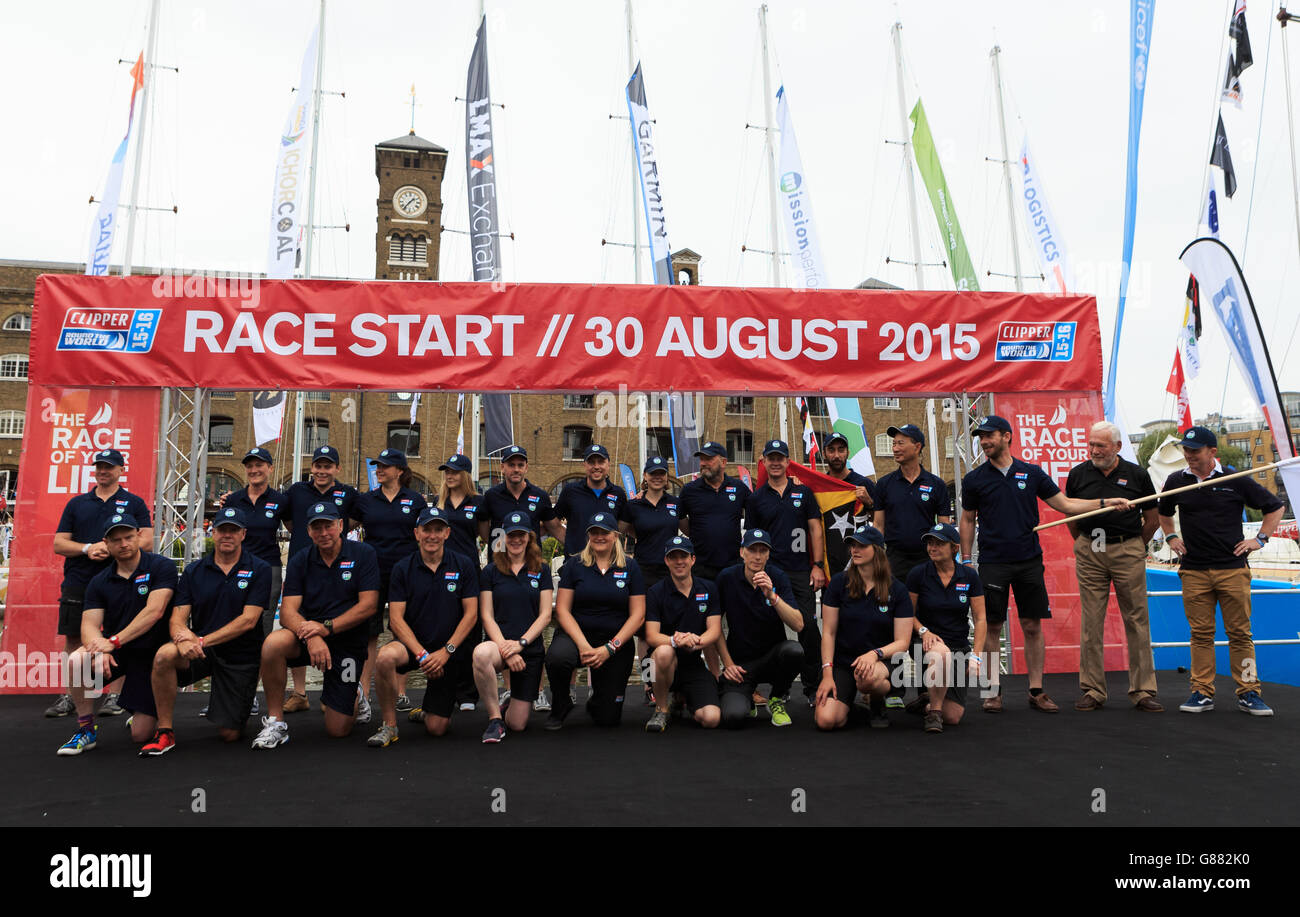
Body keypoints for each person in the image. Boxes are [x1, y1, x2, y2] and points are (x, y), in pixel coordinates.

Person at [959, 415, 1128, 714]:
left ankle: (1036, 690)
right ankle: (992, 691)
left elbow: (1065, 504)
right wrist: (967, 559)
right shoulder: (974, 479)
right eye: (981, 437)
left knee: (1031, 624)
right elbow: (968, 519)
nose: (984, 441)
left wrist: (1104, 503)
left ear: (1006, 436)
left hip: (1028, 561)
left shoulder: (1032, 473)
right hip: (993, 562)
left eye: (990, 435)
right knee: (993, 626)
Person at [1157, 425, 1284, 716]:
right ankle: (1201, 692)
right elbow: (1164, 514)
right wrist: (1171, 537)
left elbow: (1274, 507)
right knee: (1200, 634)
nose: (1189, 455)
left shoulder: (1235, 479)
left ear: (1212, 451)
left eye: (1195, 451)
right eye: (1186, 450)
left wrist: (1260, 539)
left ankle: (1250, 692)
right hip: (1194, 570)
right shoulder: (1177, 480)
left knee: (1240, 633)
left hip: (1232, 569)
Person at [144, 507, 271, 754]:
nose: (227, 535)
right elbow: (177, 617)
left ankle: (224, 701)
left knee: (230, 734)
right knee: (163, 656)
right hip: (199, 652)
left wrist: (201, 640)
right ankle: (165, 731)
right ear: (213, 532)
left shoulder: (260, 568)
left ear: (243, 534)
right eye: (222, 530)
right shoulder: (194, 570)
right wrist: (182, 638)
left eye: (233, 530)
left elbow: (249, 620)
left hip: (240, 656)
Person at [252, 501, 378, 749]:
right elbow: (287, 612)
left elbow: (369, 606)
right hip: (309, 636)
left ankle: (356, 693)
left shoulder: (363, 554)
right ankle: (276, 721)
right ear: (308, 532)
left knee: (338, 729)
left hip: (347, 642)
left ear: (340, 525)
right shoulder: (301, 560)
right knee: (273, 644)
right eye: (316, 528)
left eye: (328, 526)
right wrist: (312, 636)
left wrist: (326, 628)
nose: (323, 533)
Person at [55, 514, 176, 755]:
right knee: (78, 659)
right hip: (115, 651)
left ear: (138, 536)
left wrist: (112, 642)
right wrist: (97, 649)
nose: (123, 544)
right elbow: (89, 625)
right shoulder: (99, 580)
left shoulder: (161, 566)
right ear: (106, 543)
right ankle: (86, 729)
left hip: (151, 655)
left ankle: (136, 709)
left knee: (140, 735)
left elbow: (154, 612)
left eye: (128, 537)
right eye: (116, 540)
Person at [48, 448, 153, 719]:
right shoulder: (77, 503)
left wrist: (114, 550)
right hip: (79, 579)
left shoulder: (134, 503)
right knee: (73, 637)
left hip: (120, 579)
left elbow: (148, 541)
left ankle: (114, 696)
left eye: (109, 467)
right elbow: (59, 543)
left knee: (118, 635)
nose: (103, 471)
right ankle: (71, 695)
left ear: (121, 470)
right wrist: (87, 549)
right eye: (99, 467)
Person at [1065, 421, 1162, 712]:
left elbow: (1153, 519)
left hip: (1127, 548)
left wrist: (1134, 546)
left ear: (1117, 447)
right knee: (1091, 621)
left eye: (1101, 445)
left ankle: (1143, 690)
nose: (1094, 450)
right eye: (1091, 444)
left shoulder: (1137, 475)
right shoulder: (1078, 474)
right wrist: (1086, 542)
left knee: (1136, 618)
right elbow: (1070, 514)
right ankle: (1093, 690)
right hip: (1090, 548)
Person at [367, 507, 481, 746]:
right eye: (426, 529)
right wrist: (421, 654)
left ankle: (429, 711)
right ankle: (389, 725)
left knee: (437, 728)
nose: (432, 535)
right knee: (385, 657)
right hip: (413, 646)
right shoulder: (402, 568)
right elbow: (396, 619)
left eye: (438, 530)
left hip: (447, 651)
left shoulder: (464, 564)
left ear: (447, 533)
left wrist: (446, 651)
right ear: (416, 533)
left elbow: (471, 614)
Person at [478, 444, 563, 710]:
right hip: (500, 567)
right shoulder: (491, 496)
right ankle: (508, 689)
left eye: (520, 464)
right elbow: (483, 529)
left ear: (526, 467)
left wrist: (582, 549)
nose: (515, 469)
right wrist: (497, 552)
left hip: (532, 566)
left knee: (531, 621)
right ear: (502, 467)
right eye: (510, 464)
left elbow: (553, 527)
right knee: (505, 620)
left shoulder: (538, 495)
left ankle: (536, 690)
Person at [544, 512, 646, 729]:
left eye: (604, 533)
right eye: (594, 533)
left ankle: (599, 699)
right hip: (577, 636)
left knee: (607, 719)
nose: (599, 537)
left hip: (615, 641)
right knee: (558, 657)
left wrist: (610, 647)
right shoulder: (574, 565)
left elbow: (638, 615)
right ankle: (561, 705)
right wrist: (583, 645)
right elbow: (562, 610)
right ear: (588, 536)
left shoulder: (630, 567)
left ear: (615, 536)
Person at [279, 444, 360, 713]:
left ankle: (332, 692)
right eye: (318, 465)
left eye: (327, 466)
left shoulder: (347, 494)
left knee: (333, 628)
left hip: (335, 569)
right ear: (311, 467)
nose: (322, 471)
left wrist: (331, 538)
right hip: (302, 568)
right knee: (296, 627)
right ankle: (299, 692)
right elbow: (289, 522)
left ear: (337, 469)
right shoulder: (296, 491)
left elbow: (357, 520)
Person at [744, 439, 826, 704]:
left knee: (809, 628)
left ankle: (813, 687)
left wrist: (818, 564)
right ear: (764, 461)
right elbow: (751, 538)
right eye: (771, 458)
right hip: (769, 571)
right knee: (763, 629)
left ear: (788, 462)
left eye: (781, 458)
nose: (776, 462)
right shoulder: (756, 498)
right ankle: (775, 685)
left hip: (801, 570)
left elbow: (815, 528)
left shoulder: (804, 492)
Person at [350, 447, 428, 721]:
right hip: (372, 573)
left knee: (402, 628)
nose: (379, 470)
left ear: (400, 471)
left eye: (384, 466)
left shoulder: (416, 500)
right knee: (370, 632)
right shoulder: (365, 500)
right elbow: (340, 526)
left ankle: (400, 691)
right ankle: (364, 694)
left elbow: (426, 534)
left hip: (406, 573)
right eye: (377, 466)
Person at [814, 525, 912, 731]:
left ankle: (877, 703)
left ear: (877, 550)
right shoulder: (839, 583)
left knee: (867, 677)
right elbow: (829, 633)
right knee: (826, 721)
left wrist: (875, 654)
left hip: (882, 663)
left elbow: (903, 642)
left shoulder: (898, 589)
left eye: (861, 545)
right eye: (852, 545)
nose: (854, 550)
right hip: (845, 663)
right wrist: (827, 675)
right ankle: (854, 708)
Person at [471, 511, 553, 742]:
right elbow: (487, 616)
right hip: (500, 646)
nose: (516, 540)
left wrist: (521, 644)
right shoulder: (491, 571)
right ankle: (495, 719)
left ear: (529, 538)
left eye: (521, 535)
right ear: (502, 538)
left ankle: (510, 704)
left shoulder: (542, 569)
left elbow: (545, 615)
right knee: (480, 654)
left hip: (529, 649)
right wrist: (505, 648)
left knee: (517, 724)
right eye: (510, 535)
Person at [218, 446, 286, 716]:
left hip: (268, 571)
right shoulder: (233, 499)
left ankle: (252, 693)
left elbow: (298, 529)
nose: (255, 470)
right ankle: (228, 690)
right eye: (250, 466)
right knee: (232, 629)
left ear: (269, 468)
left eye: (260, 465)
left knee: (262, 632)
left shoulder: (280, 500)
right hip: (237, 571)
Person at [715, 528, 805, 728]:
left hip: (772, 658)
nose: (757, 556)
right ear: (742, 552)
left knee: (794, 651)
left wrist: (772, 597)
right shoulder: (727, 578)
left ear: (768, 554)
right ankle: (747, 699)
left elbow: (798, 624)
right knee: (733, 717)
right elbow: (714, 626)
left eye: (762, 551)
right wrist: (727, 663)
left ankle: (776, 699)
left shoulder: (777, 576)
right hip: (741, 664)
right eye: (752, 550)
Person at [906, 524, 988, 734]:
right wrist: (924, 631)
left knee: (953, 716)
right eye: (930, 543)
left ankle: (929, 700)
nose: (933, 547)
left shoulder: (969, 576)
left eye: (939, 543)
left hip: (958, 646)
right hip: (924, 644)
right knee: (940, 653)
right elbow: (908, 615)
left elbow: (980, 619)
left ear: (954, 548)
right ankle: (934, 713)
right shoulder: (918, 574)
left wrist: (976, 656)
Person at [643, 535, 722, 732]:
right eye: (673, 557)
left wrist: (696, 640)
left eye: (684, 556)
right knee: (663, 652)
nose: (679, 561)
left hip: (693, 664)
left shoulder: (708, 588)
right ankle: (661, 709)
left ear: (693, 559)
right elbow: (651, 636)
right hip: (661, 664)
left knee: (712, 719)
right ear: (666, 561)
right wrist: (675, 641)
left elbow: (715, 629)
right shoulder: (655, 592)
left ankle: (682, 698)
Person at [623, 454, 682, 703]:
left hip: (671, 573)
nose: (658, 477)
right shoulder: (633, 505)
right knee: (646, 633)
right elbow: (623, 529)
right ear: (645, 477)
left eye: (662, 473)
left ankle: (672, 682)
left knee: (669, 628)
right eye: (653, 473)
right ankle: (649, 684)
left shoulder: (675, 504)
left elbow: (687, 528)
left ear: (666, 478)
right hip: (644, 571)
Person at [435, 453, 485, 713]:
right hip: (441, 572)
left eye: (454, 471)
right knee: (444, 628)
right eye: (447, 471)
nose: (449, 475)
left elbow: (487, 535)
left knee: (470, 632)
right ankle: (444, 689)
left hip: (468, 572)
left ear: (464, 475)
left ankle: (468, 691)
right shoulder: (438, 503)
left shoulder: (478, 502)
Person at [872, 424, 952, 582]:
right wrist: (876, 558)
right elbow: (878, 525)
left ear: (917, 447)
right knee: (895, 605)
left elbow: (944, 527)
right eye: (893, 444)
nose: (895, 449)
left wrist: (945, 561)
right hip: (894, 560)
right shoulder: (884, 484)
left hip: (928, 559)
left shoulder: (937, 485)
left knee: (927, 606)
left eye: (900, 443)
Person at [677, 440, 749, 584]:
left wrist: (792, 481)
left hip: (732, 565)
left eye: (709, 459)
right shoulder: (689, 490)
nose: (703, 463)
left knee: (732, 606)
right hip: (700, 566)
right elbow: (679, 517)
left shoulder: (739, 488)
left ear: (723, 462)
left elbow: (758, 508)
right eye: (701, 459)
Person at [553, 443, 631, 558]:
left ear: (608, 464)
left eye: (601, 462)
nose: (596, 466)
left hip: (608, 562)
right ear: (585, 465)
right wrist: (570, 542)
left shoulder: (618, 493)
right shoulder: (570, 491)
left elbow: (622, 526)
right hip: (576, 562)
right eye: (591, 462)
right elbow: (553, 522)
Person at [821, 431, 877, 575]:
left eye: (841, 450)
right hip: (829, 563)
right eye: (831, 450)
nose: (837, 456)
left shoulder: (863, 484)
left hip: (859, 562)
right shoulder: (819, 487)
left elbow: (880, 522)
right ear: (824, 454)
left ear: (848, 452)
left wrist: (869, 503)